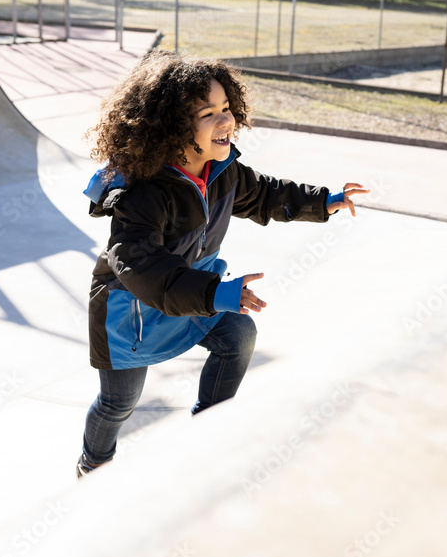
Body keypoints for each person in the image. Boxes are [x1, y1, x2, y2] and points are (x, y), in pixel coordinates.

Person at [78, 50, 368, 477]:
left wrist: (323, 201)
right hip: (131, 311)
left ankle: (208, 433)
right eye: (207, 114)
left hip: (193, 293)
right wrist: (215, 293)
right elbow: (140, 265)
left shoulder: (222, 172)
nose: (225, 121)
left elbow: (266, 193)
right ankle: (93, 463)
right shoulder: (145, 193)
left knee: (238, 334)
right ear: (173, 128)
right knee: (119, 402)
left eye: (226, 108)